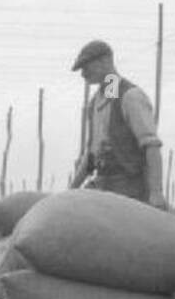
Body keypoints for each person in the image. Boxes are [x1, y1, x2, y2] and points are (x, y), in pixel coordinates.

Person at [68, 40, 167, 209]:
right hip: (103, 182)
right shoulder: (96, 103)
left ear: (105, 61)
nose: (83, 74)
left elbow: (151, 146)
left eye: (86, 66)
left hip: (130, 187)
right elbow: (90, 157)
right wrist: (70, 192)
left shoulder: (131, 96)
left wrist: (156, 193)